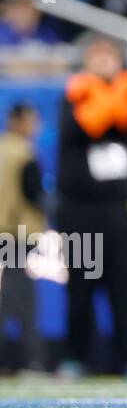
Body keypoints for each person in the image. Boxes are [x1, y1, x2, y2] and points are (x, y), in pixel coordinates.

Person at [55, 36, 127, 378]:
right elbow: (85, 126)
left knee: (125, 287)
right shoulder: (72, 97)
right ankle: (74, 359)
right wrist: (105, 96)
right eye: (97, 56)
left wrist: (120, 93)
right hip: (81, 211)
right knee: (81, 288)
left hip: (119, 212)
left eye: (111, 56)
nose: (105, 62)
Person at [0, 101, 47, 372]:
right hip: (17, 229)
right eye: (31, 121)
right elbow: (33, 194)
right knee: (21, 294)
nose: (35, 127)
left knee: (12, 290)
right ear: (17, 122)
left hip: (5, 227)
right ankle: (32, 358)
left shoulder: (3, 148)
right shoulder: (23, 152)